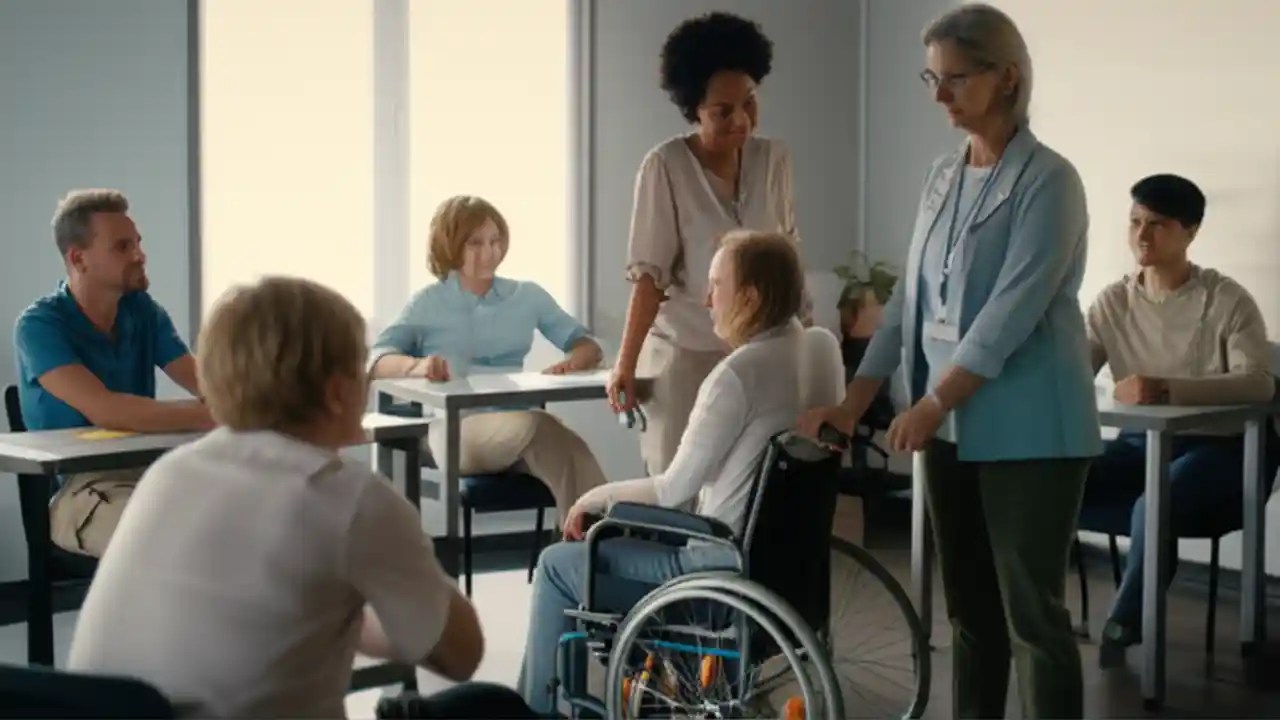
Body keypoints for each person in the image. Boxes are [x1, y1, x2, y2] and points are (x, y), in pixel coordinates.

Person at [799, 5, 1100, 717]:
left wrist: (934, 402)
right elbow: (909, 298)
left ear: (1007, 78)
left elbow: (1009, 313)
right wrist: (855, 401)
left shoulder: (1051, 181)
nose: (938, 95)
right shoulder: (943, 174)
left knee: (1033, 618)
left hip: (1032, 427)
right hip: (950, 427)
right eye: (930, 78)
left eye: (955, 79)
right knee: (969, 613)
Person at [68, 276, 535, 719]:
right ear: (337, 392)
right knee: (489, 706)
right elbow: (461, 653)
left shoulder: (170, 474)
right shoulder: (350, 496)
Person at [519, 231, 844, 715]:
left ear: (751, 297)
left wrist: (592, 498)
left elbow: (673, 491)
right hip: (791, 572)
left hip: (718, 570)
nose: (707, 299)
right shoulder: (820, 348)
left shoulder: (738, 375)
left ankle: (533, 711)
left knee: (557, 564)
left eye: (716, 285)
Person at [1085, 173, 1280, 667]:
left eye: (1157, 224)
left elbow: (1260, 383)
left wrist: (1164, 388)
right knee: (1052, 474)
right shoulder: (1112, 302)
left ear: (1190, 232)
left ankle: (1124, 623)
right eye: (1134, 222)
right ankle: (1030, 613)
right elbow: (1072, 373)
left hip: (1223, 449)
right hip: (1140, 444)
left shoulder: (1227, 299)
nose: (1141, 236)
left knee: (1155, 502)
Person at [607, 11, 813, 478]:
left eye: (749, 102)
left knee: (751, 489)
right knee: (677, 485)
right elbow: (649, 277)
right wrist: (625, 364)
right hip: (687, 356)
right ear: (695, 110)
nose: (741, 120)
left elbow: (789, 259)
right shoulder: (666, 166)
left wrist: (810, 345)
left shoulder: (774, 159)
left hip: (761, 355)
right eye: (723, 110)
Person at [369, 195, 608, 517]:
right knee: (546, 430)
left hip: (520, 428)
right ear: (451, 246)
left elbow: (586, 345)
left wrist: (574, 361)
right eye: (475, 243)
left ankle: (587, 537)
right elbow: (378, 360)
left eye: (495, 241)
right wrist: (418, 366)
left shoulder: (527, 296)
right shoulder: (428, 303)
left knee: (561, 447)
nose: (489, 252)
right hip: (456, 432)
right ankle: (610, 532)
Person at [12, 189, 214, 558]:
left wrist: (258, 402)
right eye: (123, 247)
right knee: (176, 541)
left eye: (138, 243)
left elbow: (209, 384)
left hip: (154, 474)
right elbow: (107, 411)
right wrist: (218, 414)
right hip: (81, 491)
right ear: (79, 259)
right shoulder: (39, 326)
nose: (140, 255)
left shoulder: (143, 311)